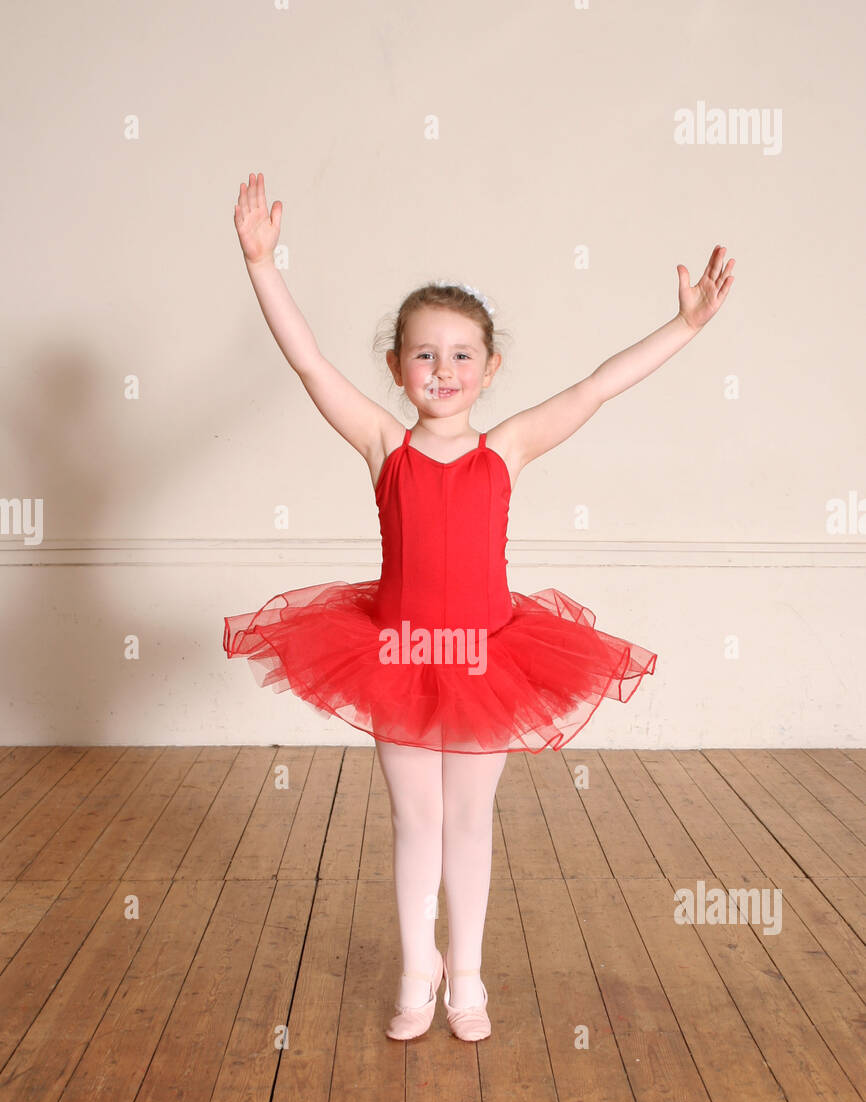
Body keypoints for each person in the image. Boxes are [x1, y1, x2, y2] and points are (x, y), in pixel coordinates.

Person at [224, 172, 734, 1044]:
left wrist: (683, 327)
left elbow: (598, 387)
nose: (443, 370)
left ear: (490, 369)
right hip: (394, 657)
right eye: (424, 354)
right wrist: (263, 265)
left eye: (462, 355)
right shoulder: (384, 445)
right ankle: (417, 970)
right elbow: (308, 361)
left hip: (488, 658)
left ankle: (468, 973)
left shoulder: (509, 449)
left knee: (470, 817)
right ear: (396, 368)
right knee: (414, 818)